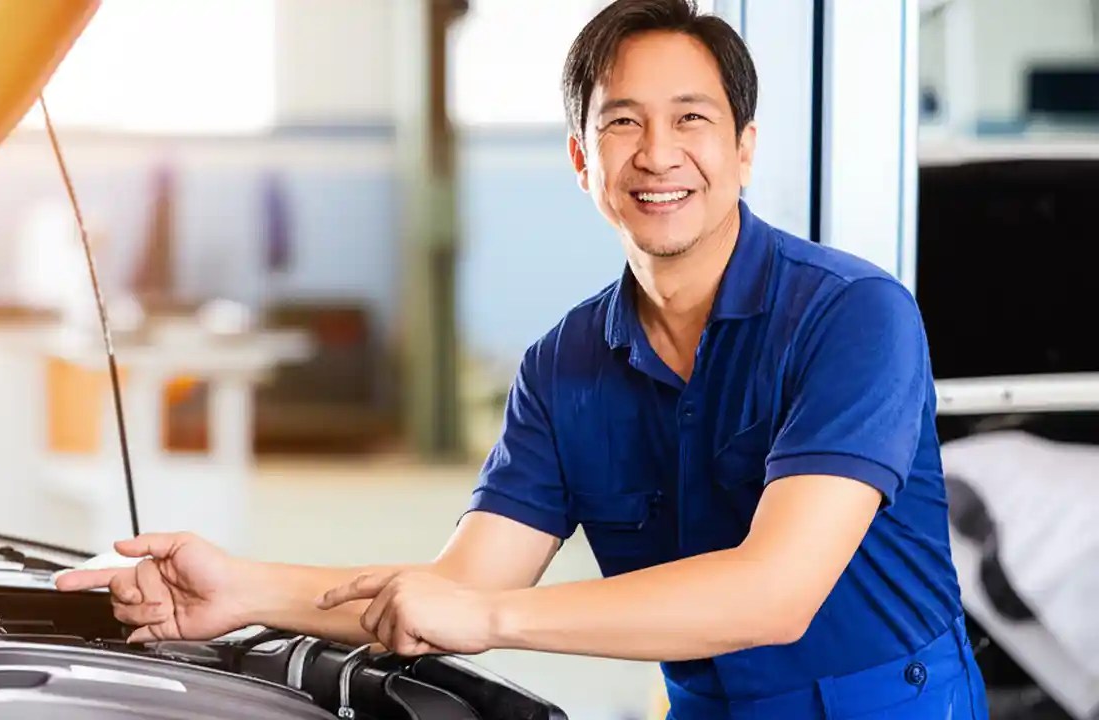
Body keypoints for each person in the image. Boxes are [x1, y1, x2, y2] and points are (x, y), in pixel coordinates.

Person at [55, 1, 990, 717]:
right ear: (582, 160)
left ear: (744, 149)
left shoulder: (853, 316)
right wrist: (244, 590)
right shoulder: (565, 366)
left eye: (692, 120)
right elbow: (457, 591)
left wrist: (495, 623)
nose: (658, 154)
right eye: (622, 123)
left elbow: (774, 593)